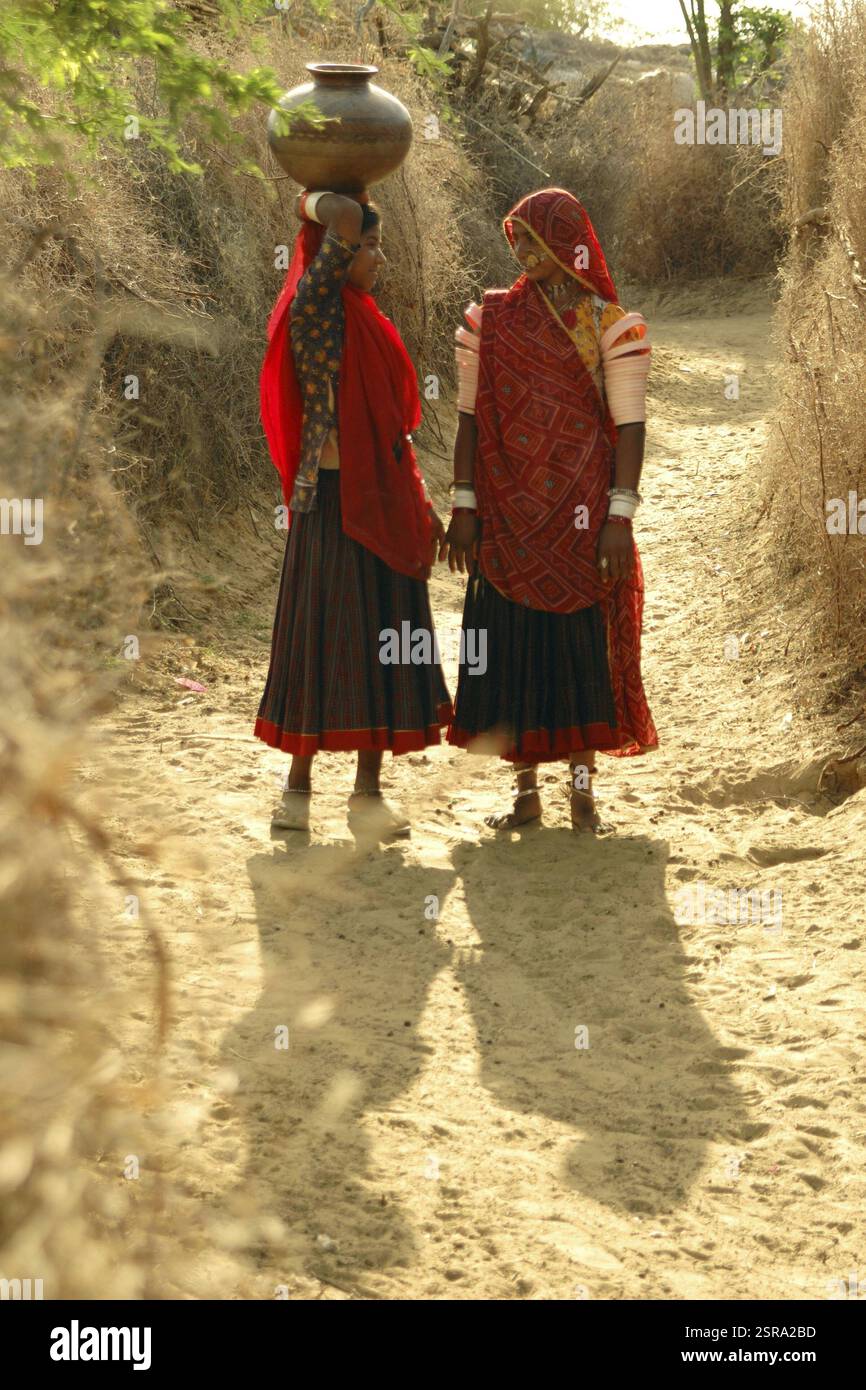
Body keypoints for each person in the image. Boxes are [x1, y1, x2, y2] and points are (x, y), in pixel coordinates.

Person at [444, 186, 658, 832]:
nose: (524, 251)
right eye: (518, 239)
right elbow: (468, 420)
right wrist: (464, 505)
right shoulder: (490, 320)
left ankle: (584, 798)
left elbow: (629, 430)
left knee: (579, 657)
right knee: (513, 654)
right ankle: (525, 796)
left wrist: (619, 518)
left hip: (583, 519)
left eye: (537, 239)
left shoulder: (611, 326)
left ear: (571, 245)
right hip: (508, 516)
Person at [256, 190, 452, 838]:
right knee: (318, 642)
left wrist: (422, 505)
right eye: (369, 245)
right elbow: (333, 215)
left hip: (384, 499)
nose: (380, 257)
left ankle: (367, 797)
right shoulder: (315, 311)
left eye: (377, 244)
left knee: (382, 643)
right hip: (333, 501)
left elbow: (395, 432)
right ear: (336, 253)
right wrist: (315, 194)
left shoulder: (371, 320)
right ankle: (297, 793)